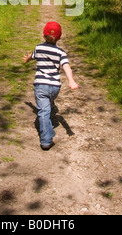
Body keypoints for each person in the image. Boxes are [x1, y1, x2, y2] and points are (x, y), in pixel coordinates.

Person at [23, 21, 79, 150]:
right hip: (54, 88)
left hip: (41, 86)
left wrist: (27, 59)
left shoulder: (39, 48)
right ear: (59, 38)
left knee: (43, 111)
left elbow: (33, 56)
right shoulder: (61, 53)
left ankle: (46, 140)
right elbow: (66, 66)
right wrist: (71, 80)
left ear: (43, 35)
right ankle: (51, 113)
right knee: (49, 102)